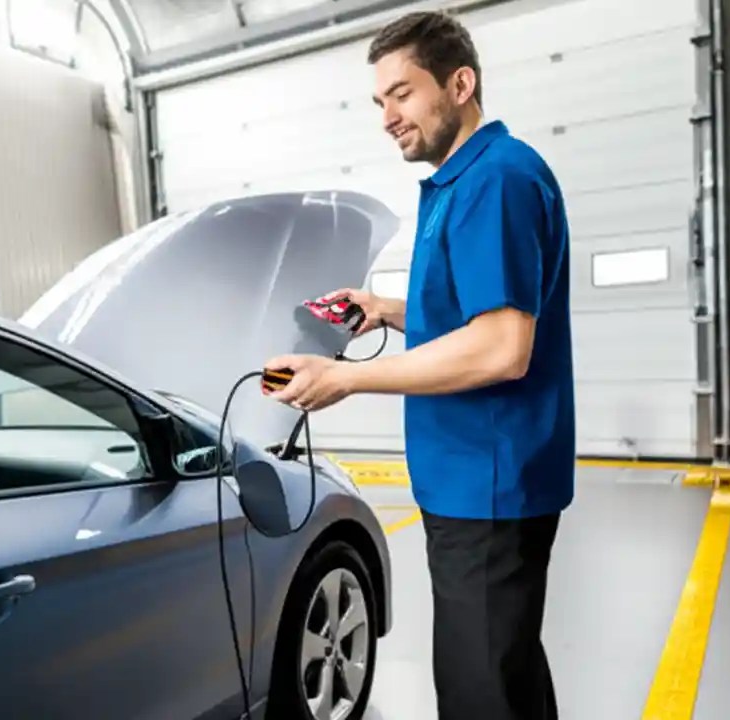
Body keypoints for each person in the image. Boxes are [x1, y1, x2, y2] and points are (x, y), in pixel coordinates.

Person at [264, 10, 574, 720]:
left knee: (480, 690)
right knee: (509, 669)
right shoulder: (460, 181)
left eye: (401, 93)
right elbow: (475, 313)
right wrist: (384, 308)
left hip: (487, 486)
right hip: (474, 479)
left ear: (460, 83)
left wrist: (343, 376)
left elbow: (501, 346)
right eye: (380, 101)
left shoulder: (496, 179)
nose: (387, 116)